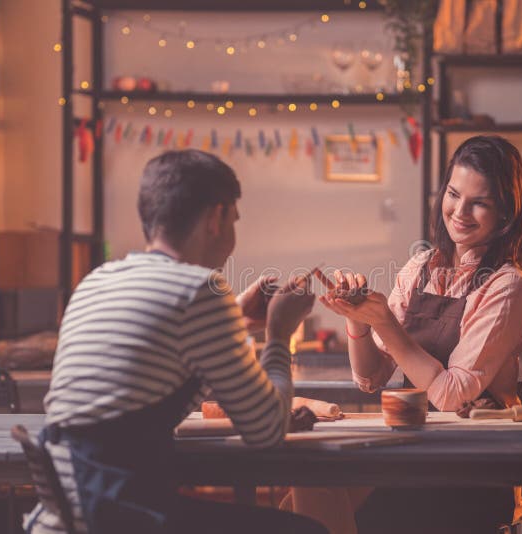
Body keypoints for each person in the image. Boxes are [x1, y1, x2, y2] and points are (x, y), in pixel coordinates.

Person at [25, 150, 326, 534]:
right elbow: (266, 430)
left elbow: (154, 353)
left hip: (65, 515)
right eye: (234, 220)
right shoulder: (200, 290)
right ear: (216, 218)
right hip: (121, 518)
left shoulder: (98, 281)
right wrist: (279, 333)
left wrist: (236, 318)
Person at [291, 135, 522, 533]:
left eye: (479, 203)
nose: (459, 212)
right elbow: (370, 378)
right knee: (304, 490)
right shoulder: (422, 265)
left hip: (470, 465)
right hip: (413, 448)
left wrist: (387, 324)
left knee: (310, 496)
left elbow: (448, 395)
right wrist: (358, 319)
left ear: (506, 214)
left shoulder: (507, 285)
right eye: (453, 194)